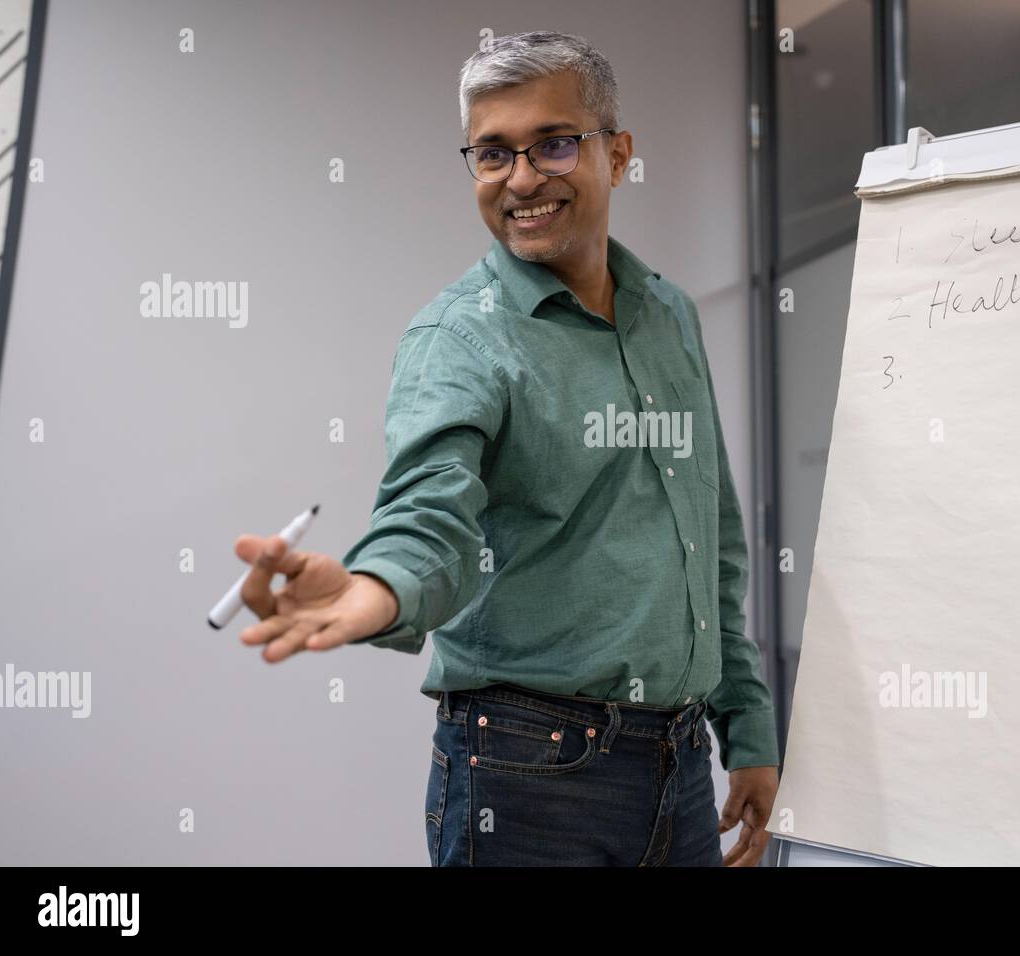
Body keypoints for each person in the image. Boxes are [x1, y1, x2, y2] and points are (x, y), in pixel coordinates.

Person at [232, 30, 779, 867]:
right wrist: (375, 587)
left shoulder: (671, 314)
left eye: (553, 144)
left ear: (617, 153)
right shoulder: (461, 338)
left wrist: (747, 725)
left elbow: (715, 542)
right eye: (492, 154)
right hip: (530, 771)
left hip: (681, 767)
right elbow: (429, 515)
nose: (521, 179)